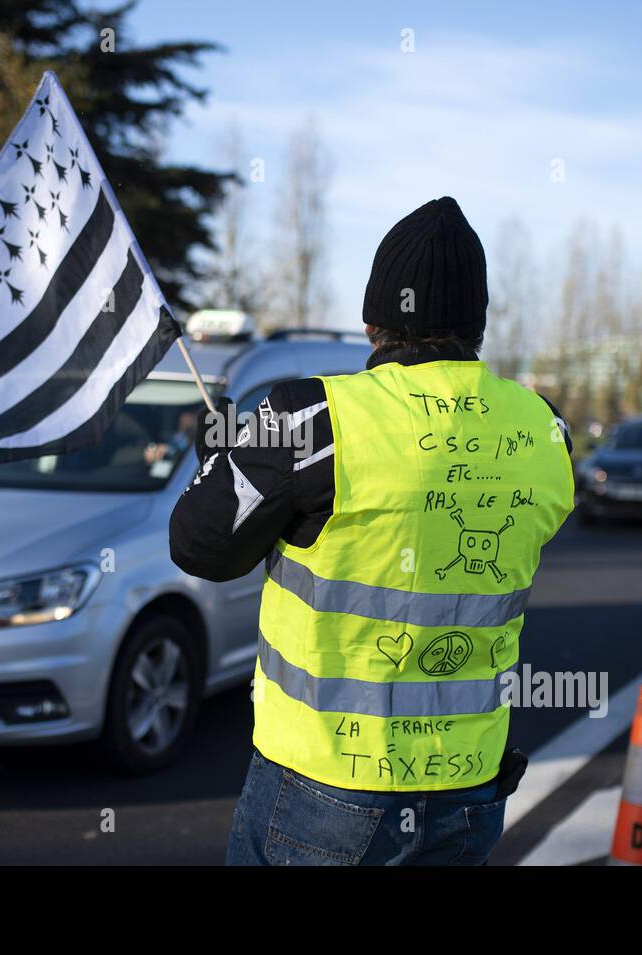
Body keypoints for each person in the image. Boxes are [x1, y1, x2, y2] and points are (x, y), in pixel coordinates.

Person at [169, 197, 575, 865]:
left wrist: (222, 454)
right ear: (477, 323)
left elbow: (199, 544)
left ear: (372, 321)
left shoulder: (313, 419)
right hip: (471, 785)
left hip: (328, 785)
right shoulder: (544, 429)